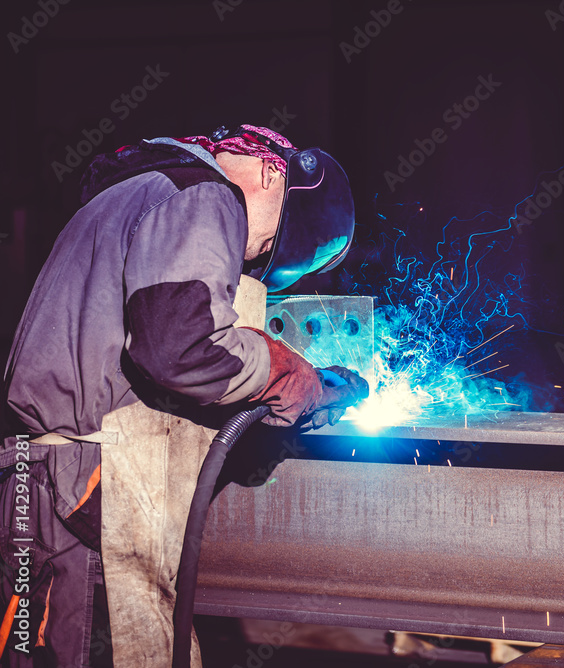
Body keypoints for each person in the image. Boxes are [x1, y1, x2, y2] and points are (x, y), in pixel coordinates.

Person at [0, 124, 368, 666]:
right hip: (87, 493)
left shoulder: (135, 194)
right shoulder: (205, 194)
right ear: (272, 172)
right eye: (269, 242)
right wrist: (285, 371)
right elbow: (181, 346)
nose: (255, 255)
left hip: (42, 487)